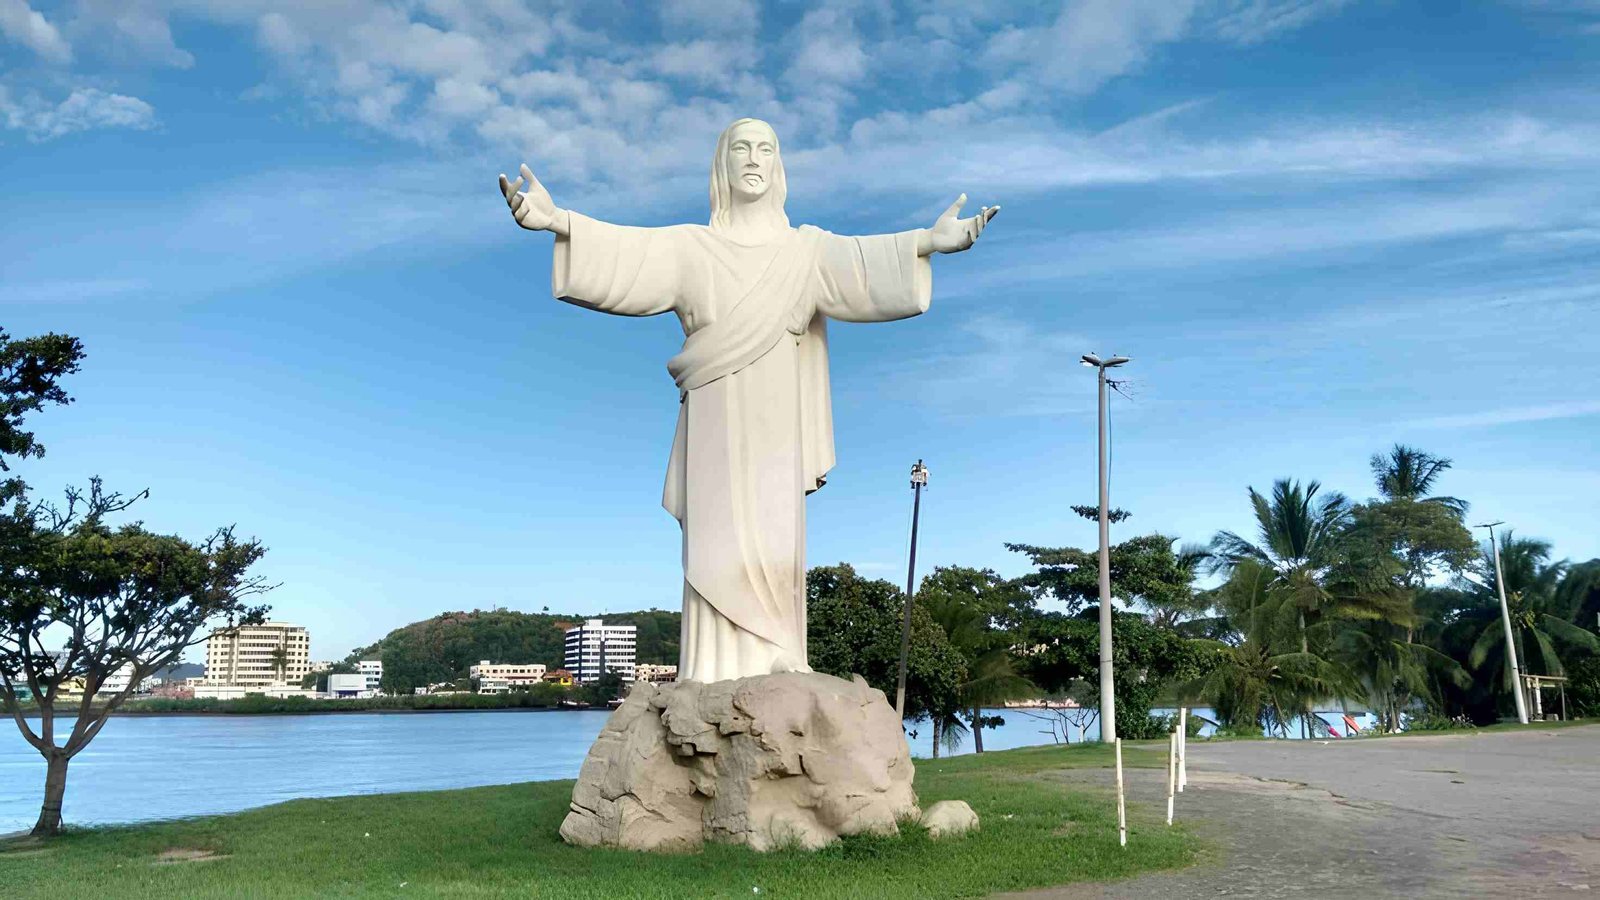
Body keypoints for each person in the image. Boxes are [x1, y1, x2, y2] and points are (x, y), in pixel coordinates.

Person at [500, 118, 997, 682]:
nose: (754, 158)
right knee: (715, 547)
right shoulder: (692, 248)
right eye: (741, 148)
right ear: (723, 164)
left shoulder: (805, 250)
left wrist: (927, 243)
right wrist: (558, 221)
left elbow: (862, 265)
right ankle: (709, 671)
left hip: (778, 417)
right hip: (715, 411)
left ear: (778, 165)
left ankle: (779, 654)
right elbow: (628, 255)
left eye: (766, 148)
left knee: (774, 537)